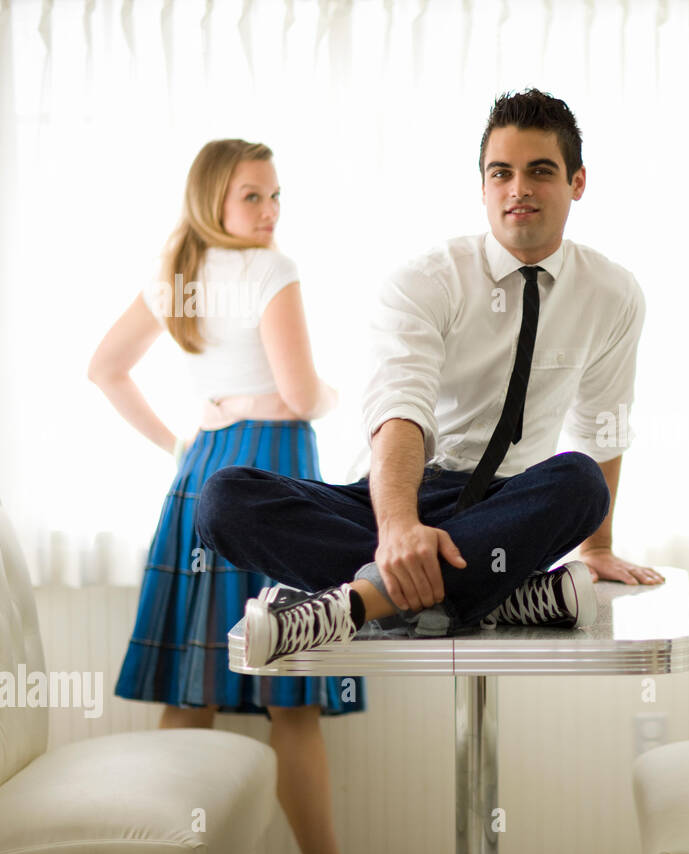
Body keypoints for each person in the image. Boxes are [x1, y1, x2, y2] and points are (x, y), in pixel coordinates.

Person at [194, 88, 664, 669]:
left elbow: (602, 425)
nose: (518, 188)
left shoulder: (612, 294)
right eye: (502, 173)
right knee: (222, 500)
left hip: (505, 508)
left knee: (581, 481)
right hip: (400, 494)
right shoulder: (426, 280)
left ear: (578, 182)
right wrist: (398, 530)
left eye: (540, 171)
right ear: (484, 186)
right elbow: (400, 409)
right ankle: (499, 598)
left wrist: (599, 548)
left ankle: (358, 603)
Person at [87, 138, 357, 854]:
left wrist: (181, 443)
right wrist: (334, 394)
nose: (269, 211)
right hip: (274, 472)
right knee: (292, 700)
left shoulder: (180, 271)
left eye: (276, 196)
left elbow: (105, 370)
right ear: (215, 198)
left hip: (204, 476)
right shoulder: (273, 270)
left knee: (192, 691)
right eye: (252, 195)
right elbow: (302, 395)